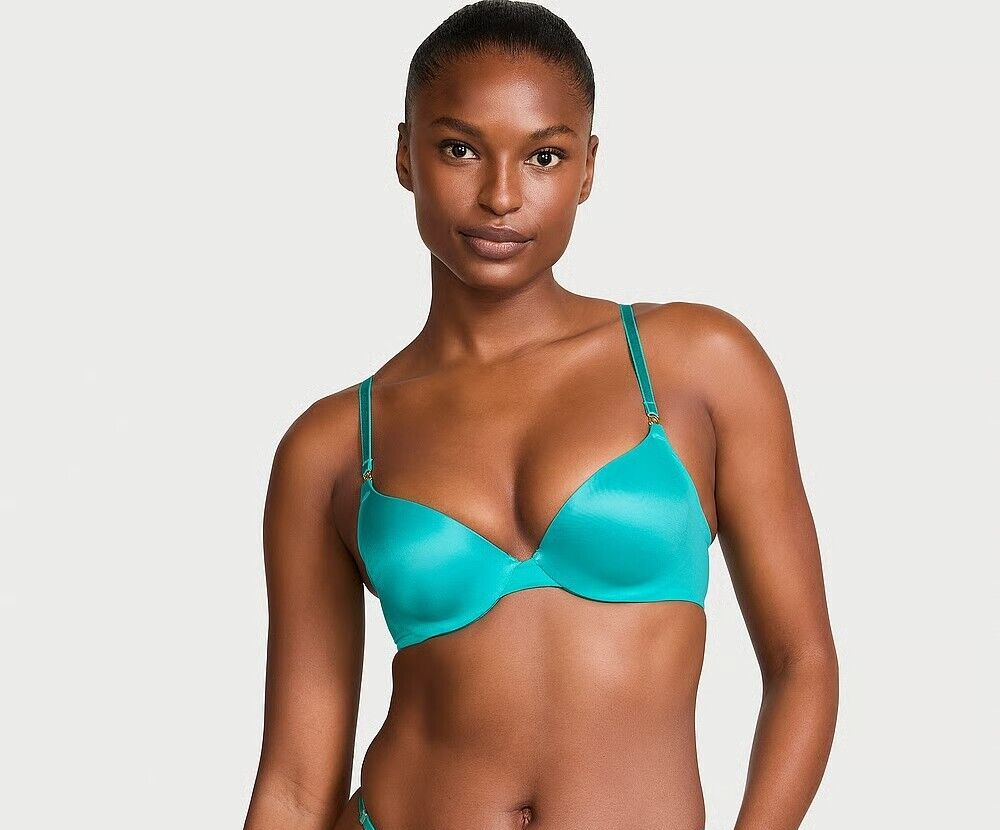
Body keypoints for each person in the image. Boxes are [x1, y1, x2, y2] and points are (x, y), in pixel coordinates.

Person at [243, 3, 839, 829]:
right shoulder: (332, 446)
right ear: (405, 155)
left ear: (588, 168)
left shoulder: (697, 364)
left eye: (544, 156)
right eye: (459, 149)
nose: (500, 196)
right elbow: (295, 786)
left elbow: (801, 663)